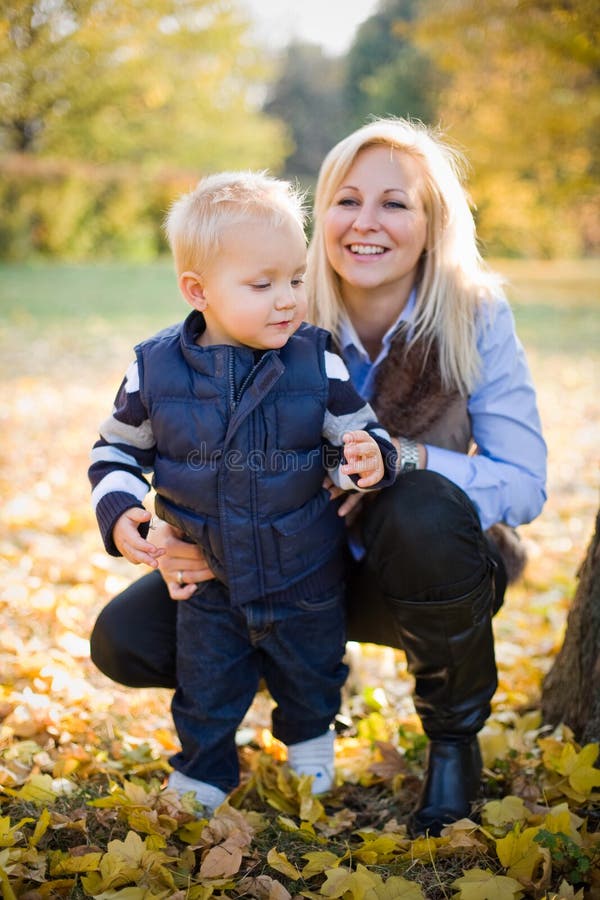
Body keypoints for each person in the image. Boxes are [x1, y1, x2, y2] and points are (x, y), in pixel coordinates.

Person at [90, 119, 547, 835]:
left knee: (418, 506)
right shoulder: (275, 310)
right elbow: (182, 438)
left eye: (395, 204)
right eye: (347, 200)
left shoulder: (471, 313)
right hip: (282, 560)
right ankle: (300, 688)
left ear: (433, 223)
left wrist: (402, 458)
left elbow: (525, 484)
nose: (367, 223)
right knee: (127, 637)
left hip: (425, 574)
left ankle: (452, 742)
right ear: (320, 214)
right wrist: (167, 530)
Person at [89, 171, 397, 812]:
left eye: (294, 279)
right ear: (198, 291)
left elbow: (359, 438)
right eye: (262, 285)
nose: (287, 299)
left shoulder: (316, 360)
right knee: (205, 681)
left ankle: (312, 741)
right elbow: (117, 449)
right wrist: (121, 510)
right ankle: (204, 768)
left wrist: (367, 459)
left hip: (303, 567)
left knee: (312, 669)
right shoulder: (156, 368)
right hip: (210, 573)